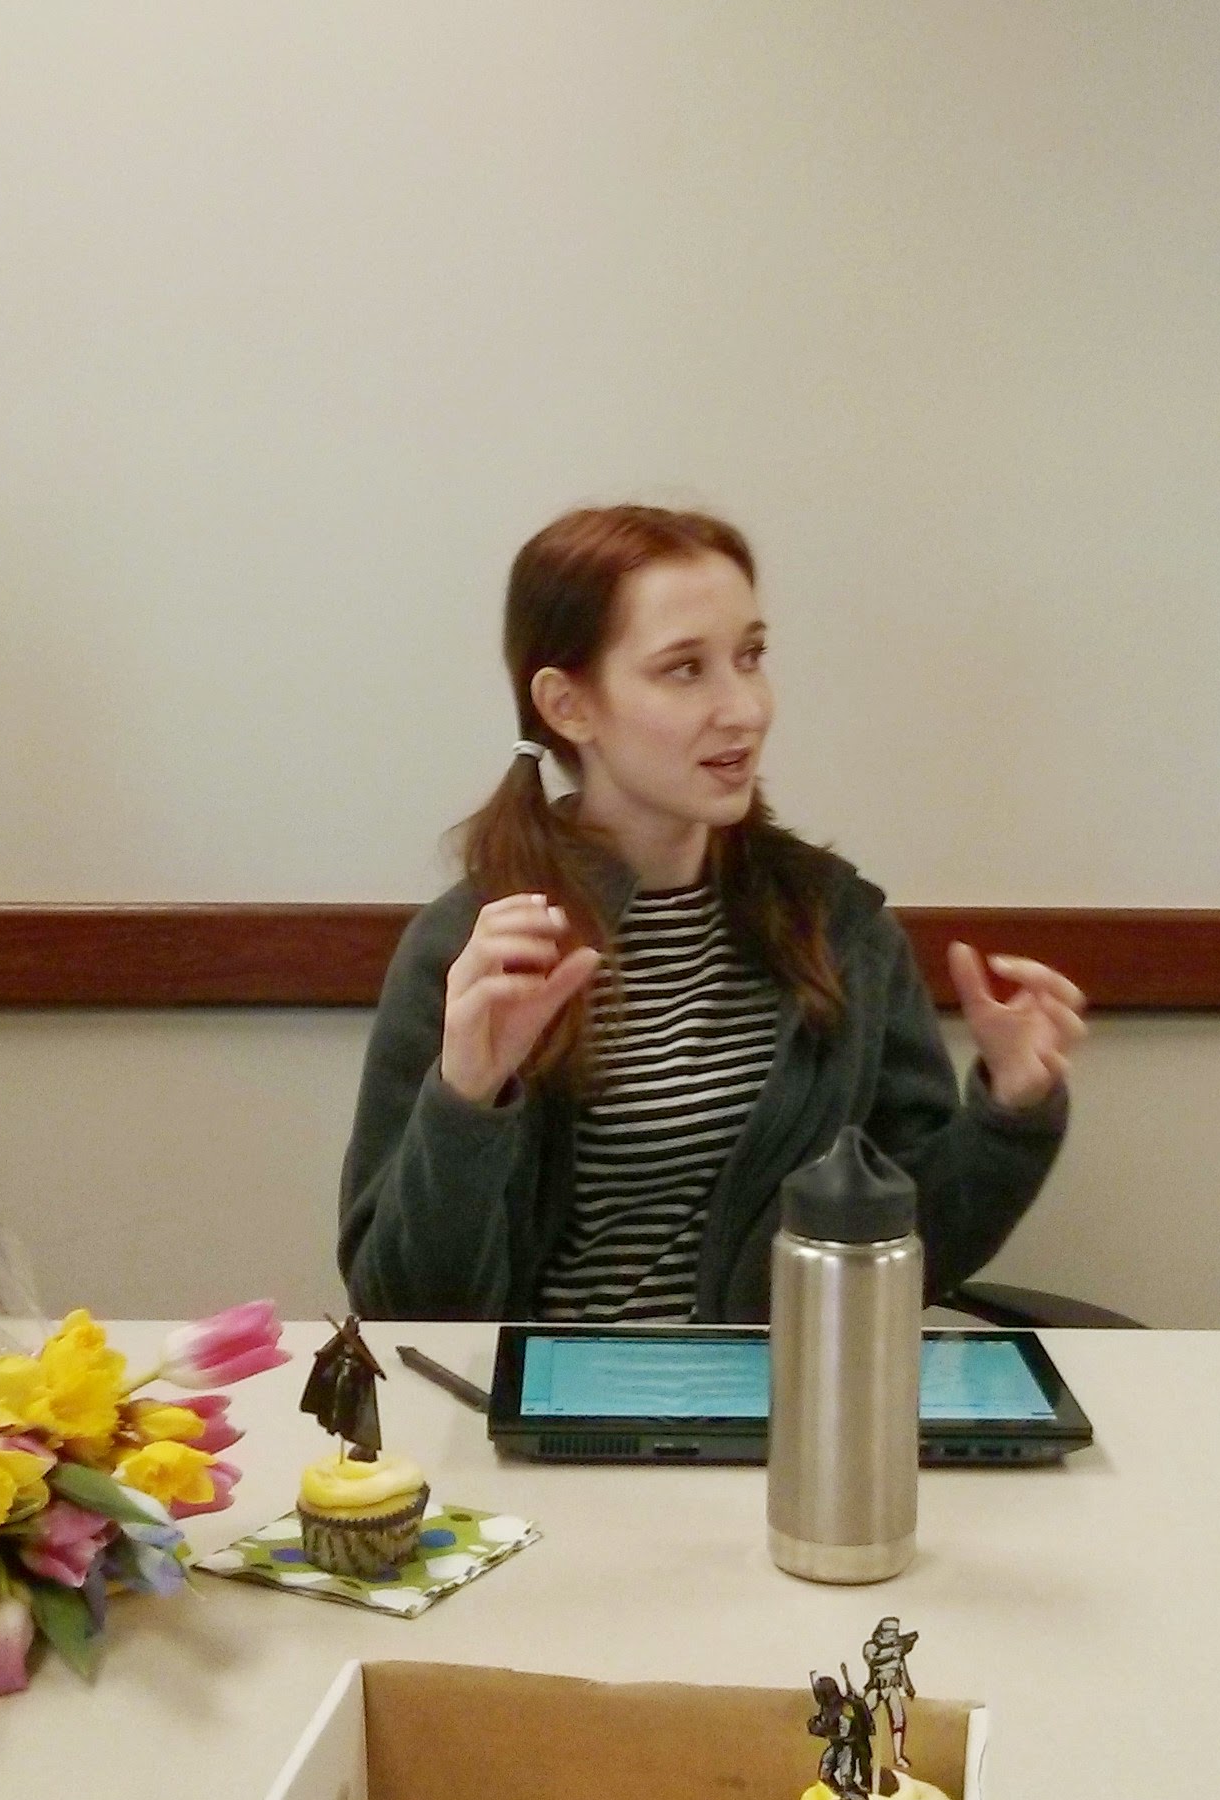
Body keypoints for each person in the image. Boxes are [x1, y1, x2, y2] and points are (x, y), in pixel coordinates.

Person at [338, 504, 1083, 1322]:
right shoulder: (476, 948)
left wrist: (1011, 1109)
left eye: (751, 657)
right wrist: (465, 1099)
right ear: (567, 705)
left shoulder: (837, 926)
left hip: (782, 1412)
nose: (746, 708)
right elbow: (406, 1306)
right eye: (685, 669)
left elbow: (907, 1248)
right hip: (542, 1420)